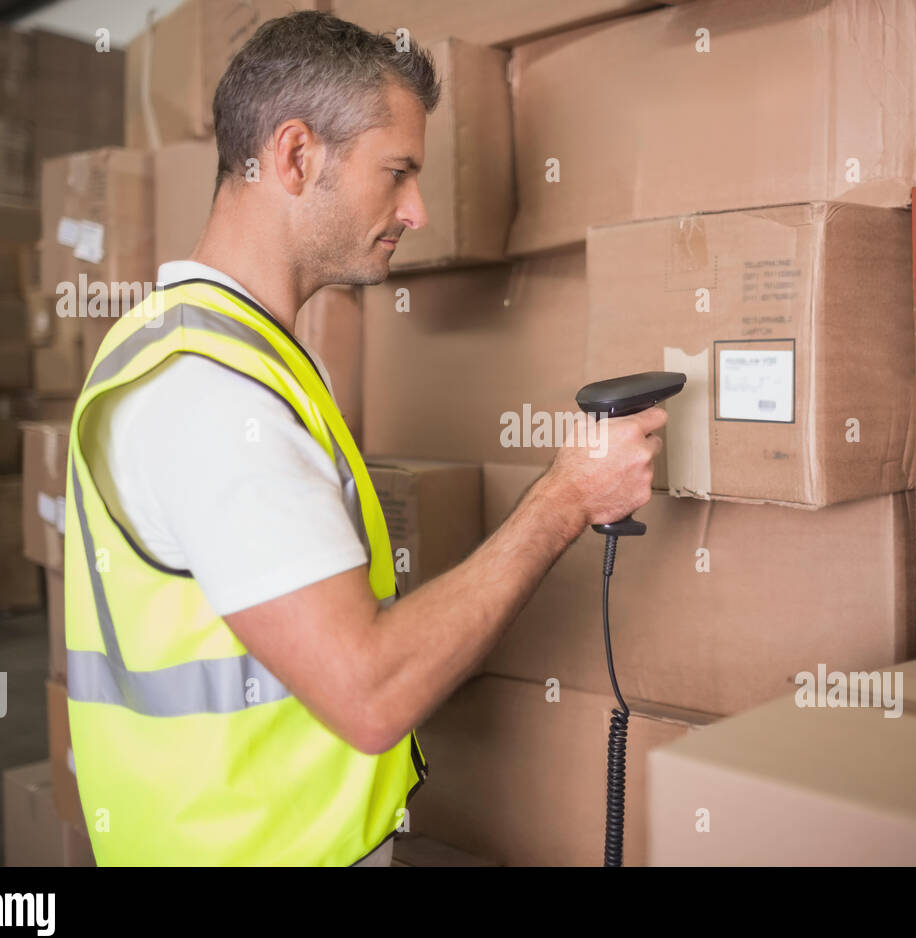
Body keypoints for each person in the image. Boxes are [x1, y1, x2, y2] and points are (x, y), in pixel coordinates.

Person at [62, 11, 665, 866]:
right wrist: (567, 497)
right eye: (398, 173)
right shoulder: (209, 395)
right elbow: (370, 693)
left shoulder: (208, 350)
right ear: (296, 155)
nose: (417, 211)